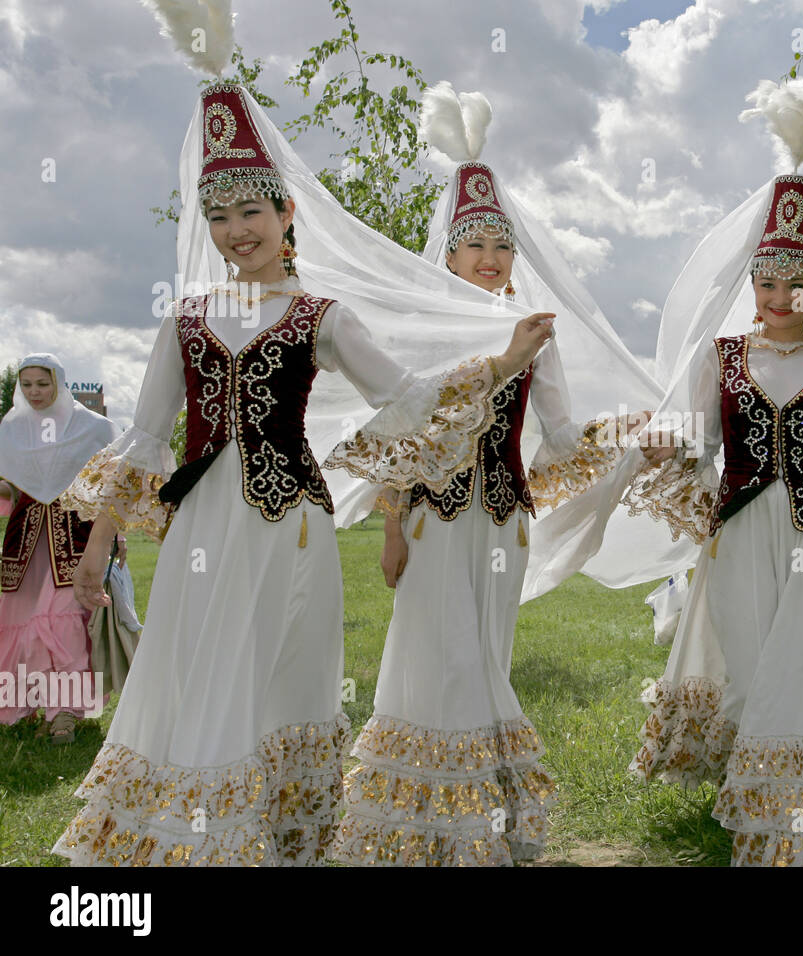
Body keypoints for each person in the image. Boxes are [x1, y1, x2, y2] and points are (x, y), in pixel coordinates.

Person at [52, 76, 552, 866]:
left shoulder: (321, 316)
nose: (234, 230)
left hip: (295, 533)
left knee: (283, 679)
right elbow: (144, 443)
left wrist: (505, 362)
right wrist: (94, 547)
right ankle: (193, 845)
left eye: (251, 211)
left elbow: (408, 399)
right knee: (197, 673)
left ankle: (272, 845)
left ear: (288, 215)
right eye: (218, 215)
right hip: (205, 530)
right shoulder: (183, 320)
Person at [327, 90, 630, 866]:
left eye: (500, 243)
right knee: (440, 654)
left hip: (504, 521)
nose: (489, 257)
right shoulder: (420, 331)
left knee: (483, 655)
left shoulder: (536, 331)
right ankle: (428, 821)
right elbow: (406, 431)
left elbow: (560, 436)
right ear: (450, 254)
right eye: (474, 245)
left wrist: (630, 440)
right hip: (432, 518)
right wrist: (391, 529)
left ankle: (475, 818)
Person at [626, 171, 803, 866]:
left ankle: (785, 818)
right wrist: (666, 441)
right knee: (754, 672)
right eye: (768, 282)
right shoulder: (721, 357)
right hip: (739, 535)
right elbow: (699, 440)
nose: (780, 297)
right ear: (752, 284)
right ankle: (760, 798)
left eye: (796, 283)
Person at [0, 355, 120, 742]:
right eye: (28, 384)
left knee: (65, 623)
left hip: (77, 538)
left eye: (43, 383)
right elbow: (13, 489)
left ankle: (66, 712)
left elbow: (113, 487)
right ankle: (22, 706)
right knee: (20, 625)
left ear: (59, 383)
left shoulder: (93, 427)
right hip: (26, 542)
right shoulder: (12, 429)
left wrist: (114, 539)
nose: (35, 392)